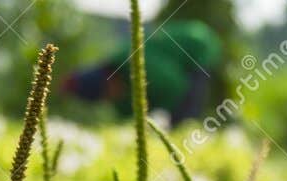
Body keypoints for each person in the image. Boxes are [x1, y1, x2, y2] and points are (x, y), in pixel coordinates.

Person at [61, 19, 222, 125]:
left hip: (198, 45)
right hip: (177, 60)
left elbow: (177, 86)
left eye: (108, 91)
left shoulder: (137, 64)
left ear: (110, 78)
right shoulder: (118, 98)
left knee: (185, 117)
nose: (112, 96)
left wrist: (162, 114)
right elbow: (128, 117)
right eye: (106, 98)